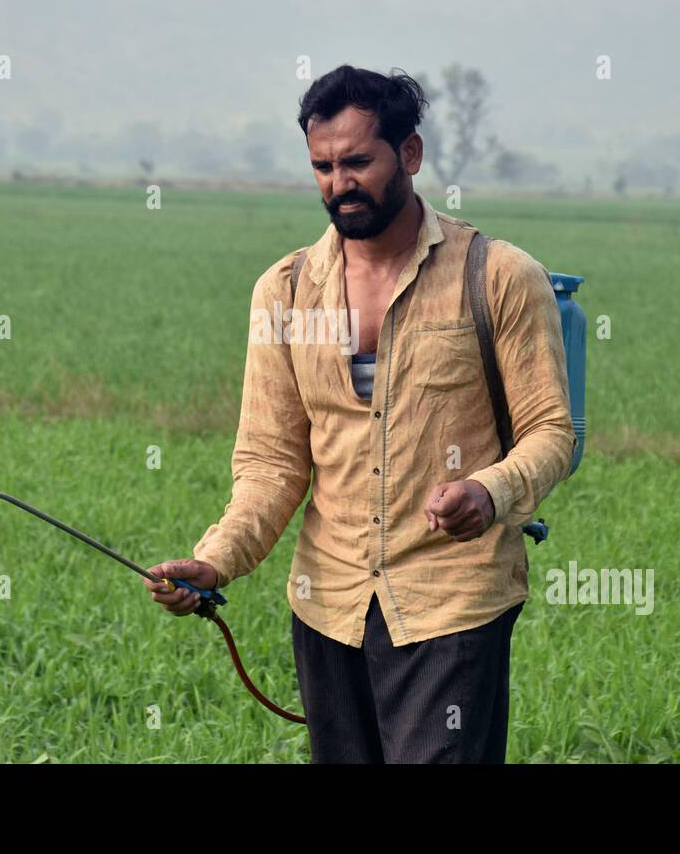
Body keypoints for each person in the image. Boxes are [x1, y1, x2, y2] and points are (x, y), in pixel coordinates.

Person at [143, 64, 577, 763]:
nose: (337, 183)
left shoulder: (496, 276)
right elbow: (271, 460)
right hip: (329, 606)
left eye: (356, 162)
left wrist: (488, 491)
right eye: (321, 166)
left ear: (409, 154)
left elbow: (552, 432)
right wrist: (215, 560)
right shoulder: (284, 292)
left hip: (452, 602)